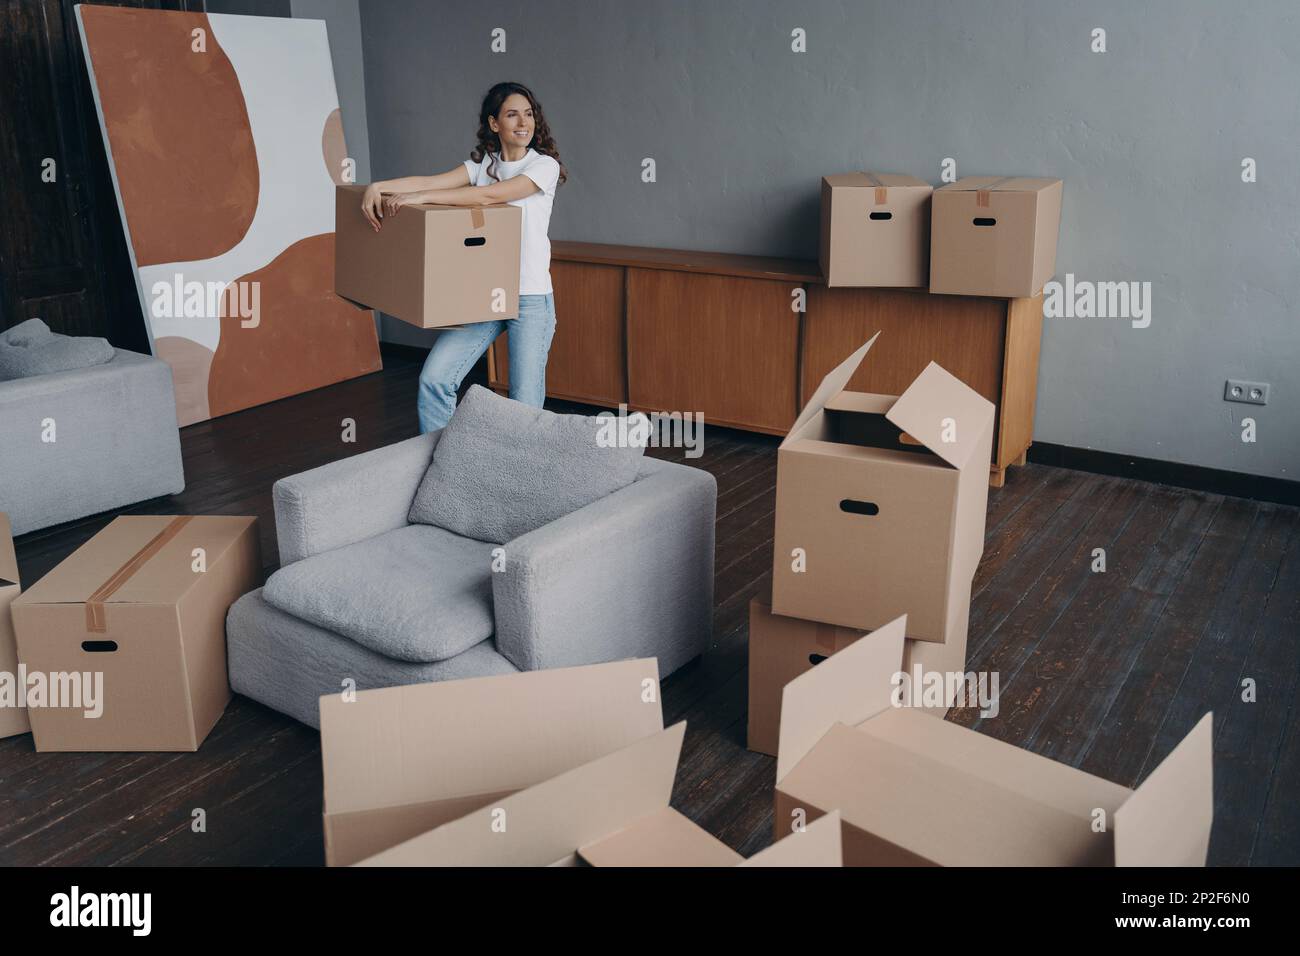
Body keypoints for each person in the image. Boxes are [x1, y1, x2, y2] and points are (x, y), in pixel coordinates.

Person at [360, 81, 566, 433]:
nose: (523, 122)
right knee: (435, 378)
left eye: (529, 114)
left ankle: (523, 479)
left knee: (523, 407)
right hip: (485, 296)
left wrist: (422, 199)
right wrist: (379, 187)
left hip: (530, 299)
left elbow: (487, 199)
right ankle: (442, 463)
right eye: (512, 114)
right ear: (494, 123)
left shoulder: (543, 166)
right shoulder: (485, 165)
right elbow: (432, 181)